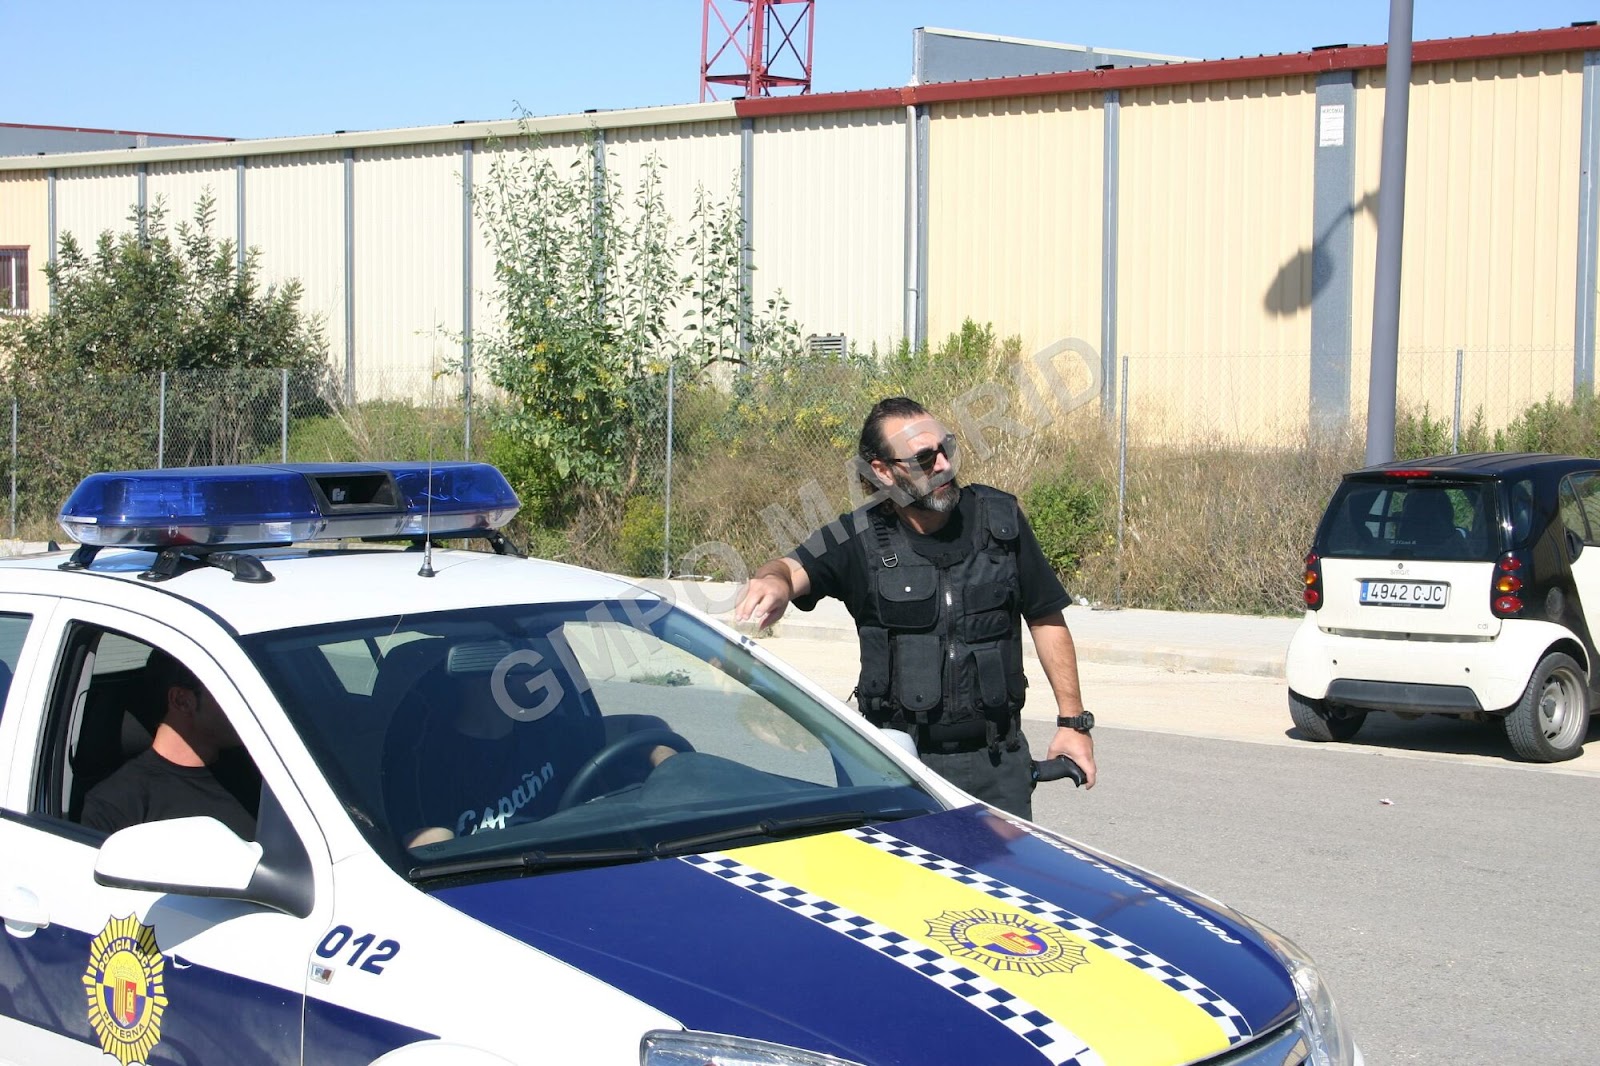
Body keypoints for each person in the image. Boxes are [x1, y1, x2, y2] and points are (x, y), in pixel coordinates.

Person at [734, 396, 1096, 819]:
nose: (943, 465)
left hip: (996, 762)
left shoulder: (1001, 519)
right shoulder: (857, 537)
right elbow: (787, 568)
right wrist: (773, 581)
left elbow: (1045, 615)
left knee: (995, 885)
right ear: (882, 471)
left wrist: (1073, 724)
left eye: (947, 449)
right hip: (890, 764)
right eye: (924, 459)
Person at [81, 654, 260, 839]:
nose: (247, 704)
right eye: (232, 692)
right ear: (181, 701)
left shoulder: (264, 769)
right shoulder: (117, 805)